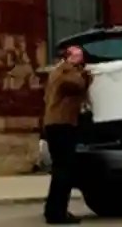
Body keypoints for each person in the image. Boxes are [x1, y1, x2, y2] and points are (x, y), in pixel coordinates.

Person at [42, 44, 91, 224]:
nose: (81, 59)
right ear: (69, 57)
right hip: (61, 125)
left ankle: (53, 210)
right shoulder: (64, 72)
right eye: (78, 56)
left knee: (60, 170)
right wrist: (85, 73)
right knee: (64, 170)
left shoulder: (60, 70)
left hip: (57, 124)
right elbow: (77, 84)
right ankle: (58, 213)